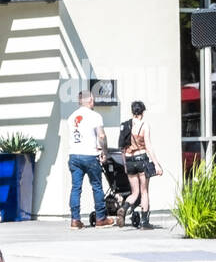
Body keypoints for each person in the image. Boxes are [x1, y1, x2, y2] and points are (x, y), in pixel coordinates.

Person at [63, 89, 114, 229]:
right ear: (90, 100)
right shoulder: (95, 116)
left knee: (75, 188)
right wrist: (105, 152)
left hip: (74, 155)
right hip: (90, 155)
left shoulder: (71, 117)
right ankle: (101, 218)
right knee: (97, 186)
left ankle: (75, 220)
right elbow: (101, 136)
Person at [118, 100, 162, 229]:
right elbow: (148, 146)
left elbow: (122, 148)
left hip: (129, 160)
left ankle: (124, 209)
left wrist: (125, 164)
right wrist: (157, 165)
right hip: (141, 159)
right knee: (144, 192)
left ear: (133, 111)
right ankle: (144, 222)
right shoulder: (144, 125)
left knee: (134, 192)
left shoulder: (126, 125)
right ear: (142, 112)